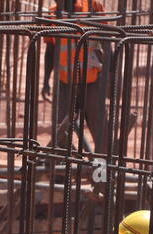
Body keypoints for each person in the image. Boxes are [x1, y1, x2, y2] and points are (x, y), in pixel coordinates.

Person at [42, 0, 107, 152]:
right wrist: (46, 81)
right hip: (65, 82)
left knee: (100, 130)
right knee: (61, 130)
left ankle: (103, 170)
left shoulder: (93, 8)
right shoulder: (52, 14)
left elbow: (108, 43)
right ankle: (62, 169)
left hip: (92, 81)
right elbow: (50, 51)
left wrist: (111, 76)